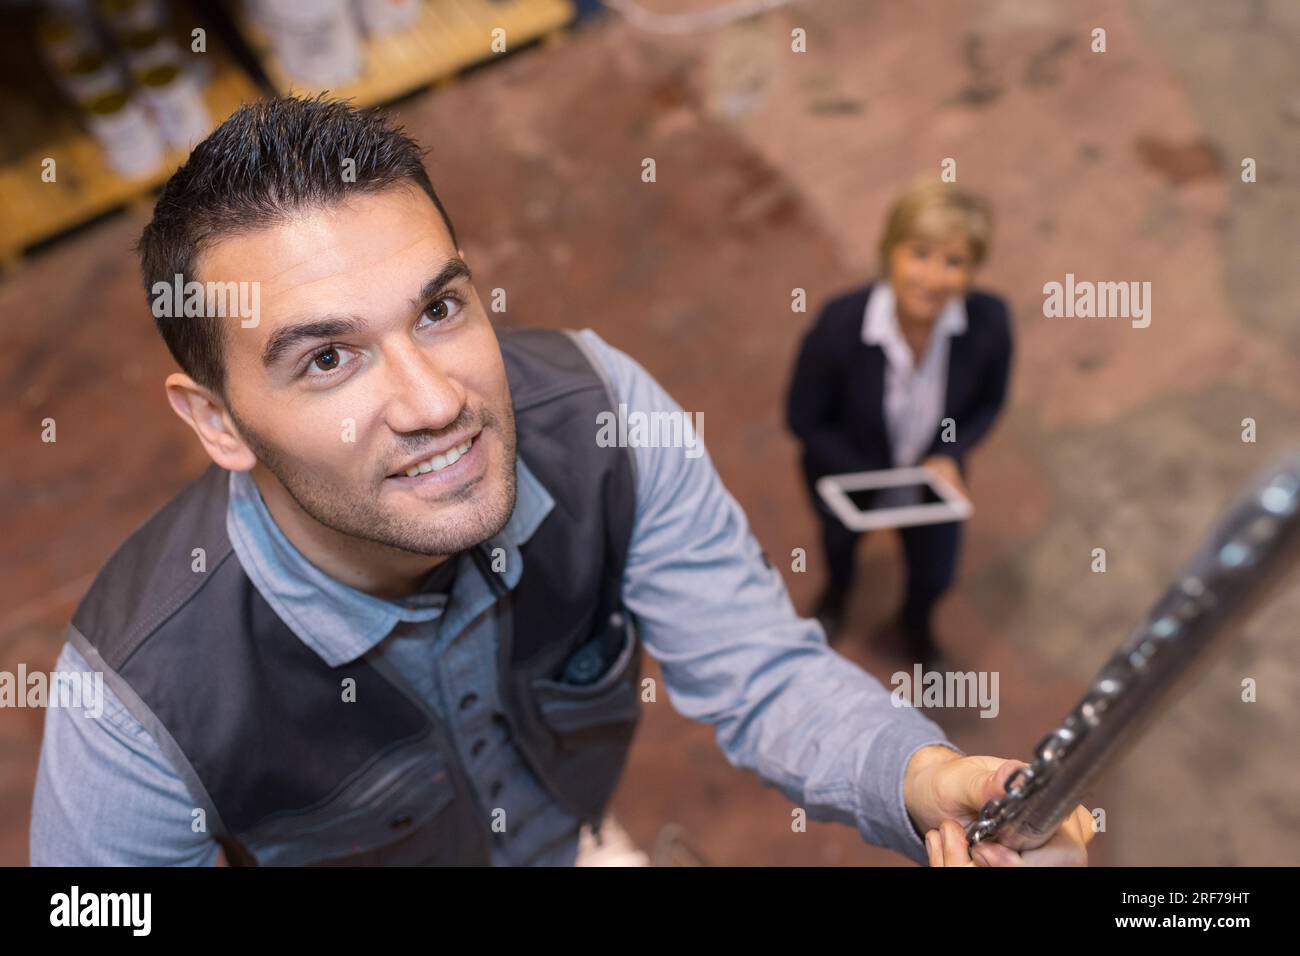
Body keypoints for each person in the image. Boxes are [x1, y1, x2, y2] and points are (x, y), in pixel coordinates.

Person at [29, 97, 1083, 867]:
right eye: (327, 357)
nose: (434, 400)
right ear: (216, 419)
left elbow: (760, 672)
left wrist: (927, 784)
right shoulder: (132, 704)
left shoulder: (604, 412)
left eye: (438, 310)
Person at [787, 178, 1014, 665]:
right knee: (840, 548)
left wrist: (948, 453)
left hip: (930, 479)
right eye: (920, 253)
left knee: (935, 575)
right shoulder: (840, 326)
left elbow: (988, 405)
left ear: (974, 270)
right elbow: (803, 418)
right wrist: (871, 483)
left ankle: (915, 627)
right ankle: (836, 599)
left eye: (954, 261)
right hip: (848, 478)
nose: (932, 277)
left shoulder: (990, 323)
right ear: (889, 251)